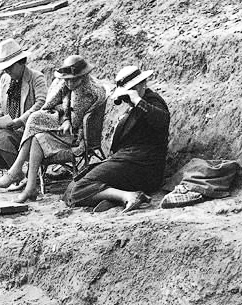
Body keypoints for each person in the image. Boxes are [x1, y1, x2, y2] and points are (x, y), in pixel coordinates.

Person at [0, 55, 107, 202]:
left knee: (35, 119)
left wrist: (63, 113)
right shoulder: (69, 84)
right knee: (36, 136)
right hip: (65, 126)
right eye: (66, 79)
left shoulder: (86, 92)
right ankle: (30, 187)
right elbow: (49, 104)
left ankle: (17, 171)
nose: (68, 83)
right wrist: (64, 113)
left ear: (83, 76)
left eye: (72, 79)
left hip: (76, 136)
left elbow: (73, 120)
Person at [65, 64, 171, 213]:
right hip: (127, 161)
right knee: (71, 188)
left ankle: (129, 196)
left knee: (78, 190)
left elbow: (162, 121)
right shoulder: (133, 107)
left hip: (144, 167)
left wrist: (138, 101)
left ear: (142, 85)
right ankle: (113, 197)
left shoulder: (152, 101)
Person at [0, 39, 41, 195]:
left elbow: (40, 105)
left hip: (28, 131)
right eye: (5, 69)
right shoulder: (5, 80)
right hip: (8, 127)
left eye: (10, 68)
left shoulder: (36, 78)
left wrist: (20, 121)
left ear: (20, 63)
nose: (7, 72)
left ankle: (18, 176)